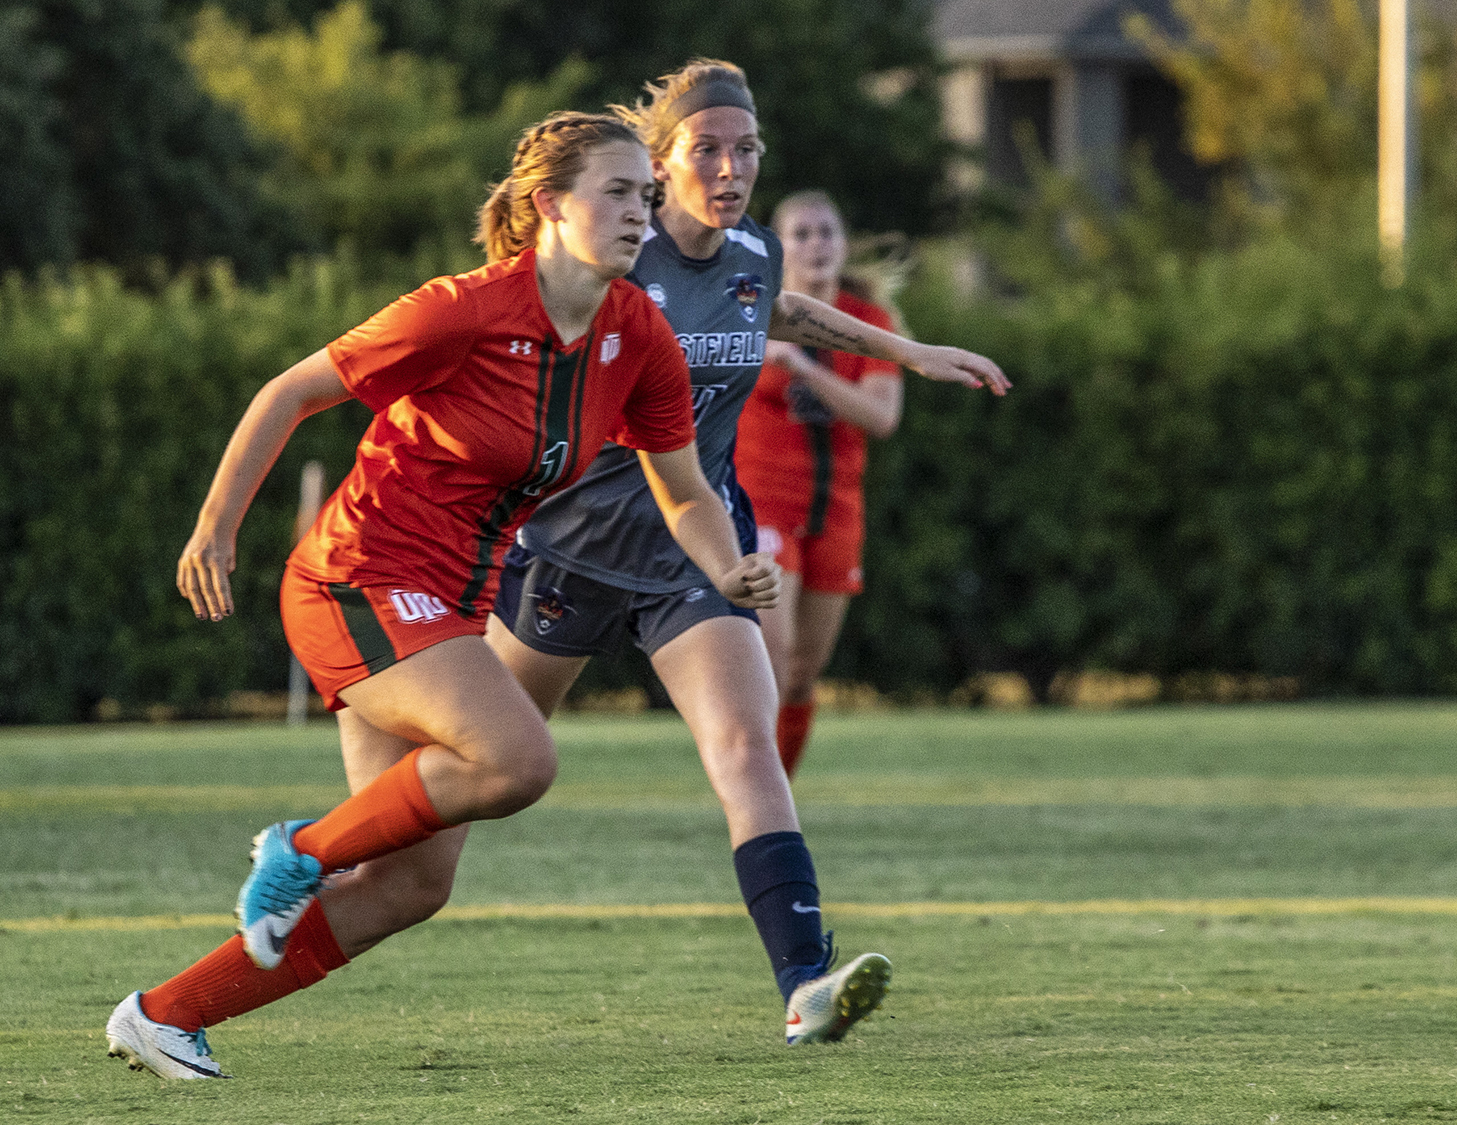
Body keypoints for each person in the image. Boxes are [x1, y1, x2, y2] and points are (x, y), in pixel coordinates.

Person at [106, 110, 775, 1080]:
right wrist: (215, 528)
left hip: (446, 606)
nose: (644, 211)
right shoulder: (461, 310)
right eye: (620, 193)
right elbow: (289, 392)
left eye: (645, 194)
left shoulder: (637, 334)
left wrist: (726, 572)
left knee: (412, 882)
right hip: (354, 579)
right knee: (518, 759)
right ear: (549, 205)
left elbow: (681, 489)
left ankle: (166, 1015)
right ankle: (299, 851)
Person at [487, 59, 1008, 1048]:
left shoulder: (752, 253)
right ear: (659, 161)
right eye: (708, 150)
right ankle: (321, 860)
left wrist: (908, 352)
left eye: (747, 149)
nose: (731, 168)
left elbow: (780, 308)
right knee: (479, 771)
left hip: (699, 552)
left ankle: (806, 985)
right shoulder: (606, 259)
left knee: (744, 747)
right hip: (566, 553)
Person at [737, 191, 905, 776]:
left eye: (827, 232)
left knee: (806, 671)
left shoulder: (870, 324)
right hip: (763, 507)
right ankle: (753, 797)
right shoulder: (749, 315)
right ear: (778, 251)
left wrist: (803, 365)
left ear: (844, 244)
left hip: (836, 509)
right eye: (802, 234)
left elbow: (881, 416)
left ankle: (778, 791)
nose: (817, 245)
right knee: (774, 660)